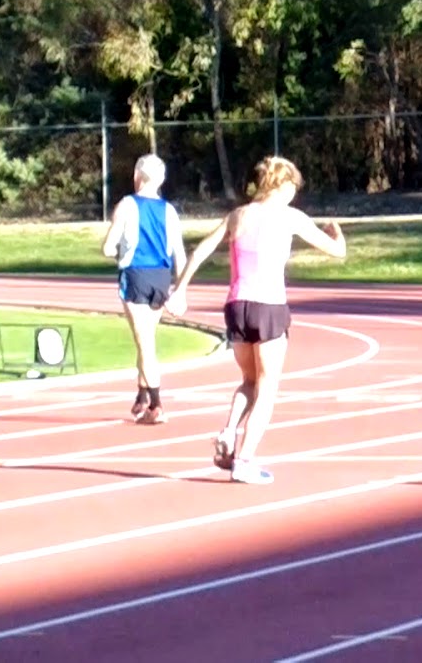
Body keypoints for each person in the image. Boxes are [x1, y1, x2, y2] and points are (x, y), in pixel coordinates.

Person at [166, 156, 346, 485]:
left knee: (249, 380)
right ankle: (245, 460)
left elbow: (201, 251)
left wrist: (180, 290)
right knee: (267, 387)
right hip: (269, 307)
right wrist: (338, 234)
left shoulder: (238, 216)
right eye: (295, 187)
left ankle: (229, 430)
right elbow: (337, 252)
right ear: (285, 185)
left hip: (237, 306)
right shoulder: (291, 217)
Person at [100, 154, 187, 424]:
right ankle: (141, 395)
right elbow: (180, 255)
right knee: (146, 337)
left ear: (137, 176)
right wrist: (180, 290)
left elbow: (107, 247)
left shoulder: (127, 205)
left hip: (136, 275)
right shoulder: (169, 210)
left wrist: (118, 251)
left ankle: (157, 403)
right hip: (161, 278)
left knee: (145, 342)